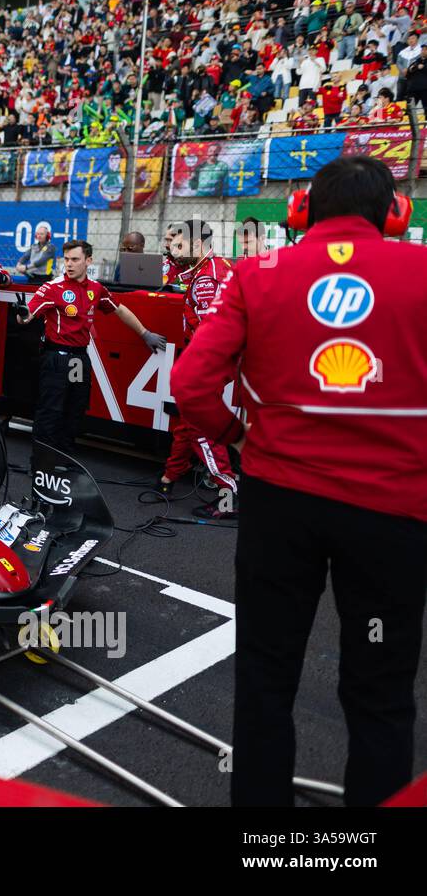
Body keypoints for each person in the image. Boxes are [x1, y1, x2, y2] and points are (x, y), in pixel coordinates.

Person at [170, 156, 427, 807]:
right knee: (381, 693)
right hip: (392, 516)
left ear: (302, 211)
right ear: (395, 213)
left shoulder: (257, 275)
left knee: (266, 674)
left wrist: (234, 437)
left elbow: (192, 383)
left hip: (280, 506)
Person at [20, 240, 166, 455]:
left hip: (78, 360)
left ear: (88, 261)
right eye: (66, 260)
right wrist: (22, 313)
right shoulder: (52, 288)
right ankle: (43, 463)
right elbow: (27, 315)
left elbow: (120, 310)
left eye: (75, 260)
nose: (69, 264)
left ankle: (65, 459)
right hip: (57, 358)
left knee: (75, 409)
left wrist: (145, 334)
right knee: (51, 411)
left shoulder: (96, 289)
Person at [159, 219, 238, 510]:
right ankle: (170, 475)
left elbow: (211, 332)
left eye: (180, 245)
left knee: (200, 427)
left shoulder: (207, 278)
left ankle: (227, 491)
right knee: (186, 421)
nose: (176, 251)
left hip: (210, 360)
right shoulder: (213, 267)